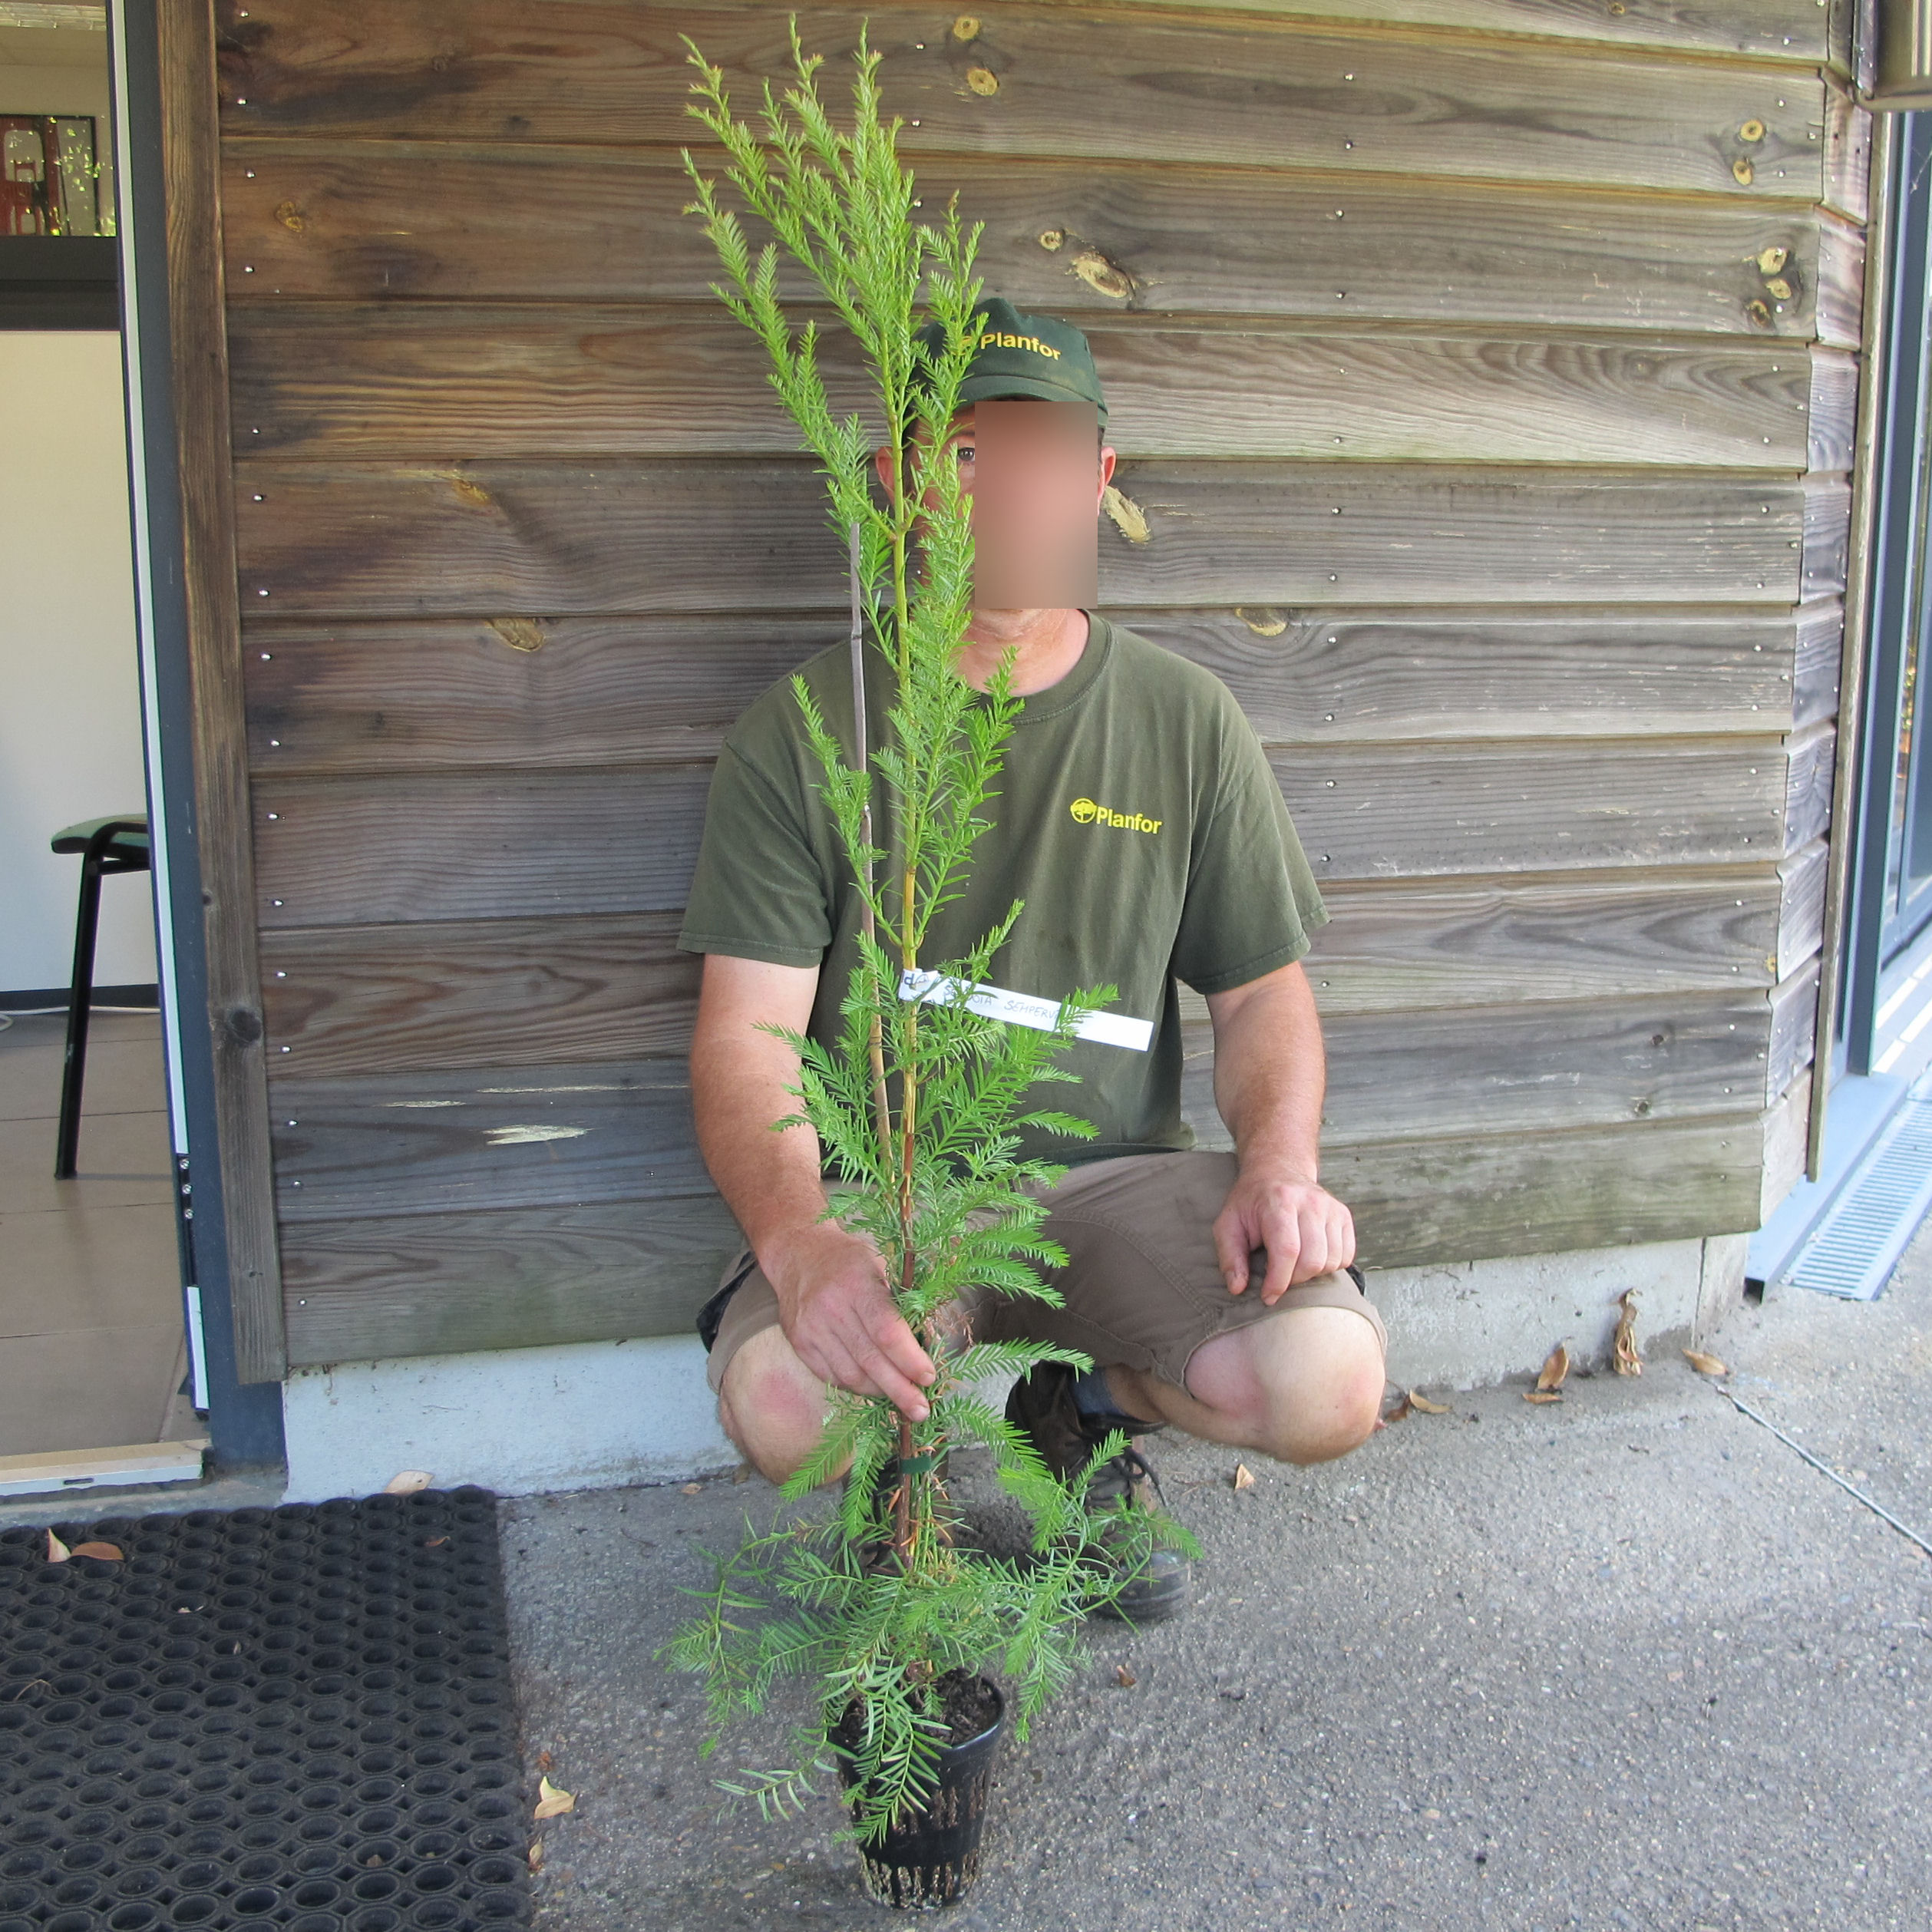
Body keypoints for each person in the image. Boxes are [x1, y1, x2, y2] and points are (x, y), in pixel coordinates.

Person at [679, 295, 1389, 1623]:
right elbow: (743, 1038)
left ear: (1100, 478)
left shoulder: (1184, 720)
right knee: (781, 1403)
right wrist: (797, 1238)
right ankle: (910, 1472)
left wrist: (1281, 1172)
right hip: (887, 1187)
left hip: (1109, 1185)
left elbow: (1260, 995)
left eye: (1048, 449)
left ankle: (1083, 1416)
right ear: (897, 480)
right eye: (961, 452)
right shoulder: (804, 731)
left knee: (1323, 1380)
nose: (1007, 486)